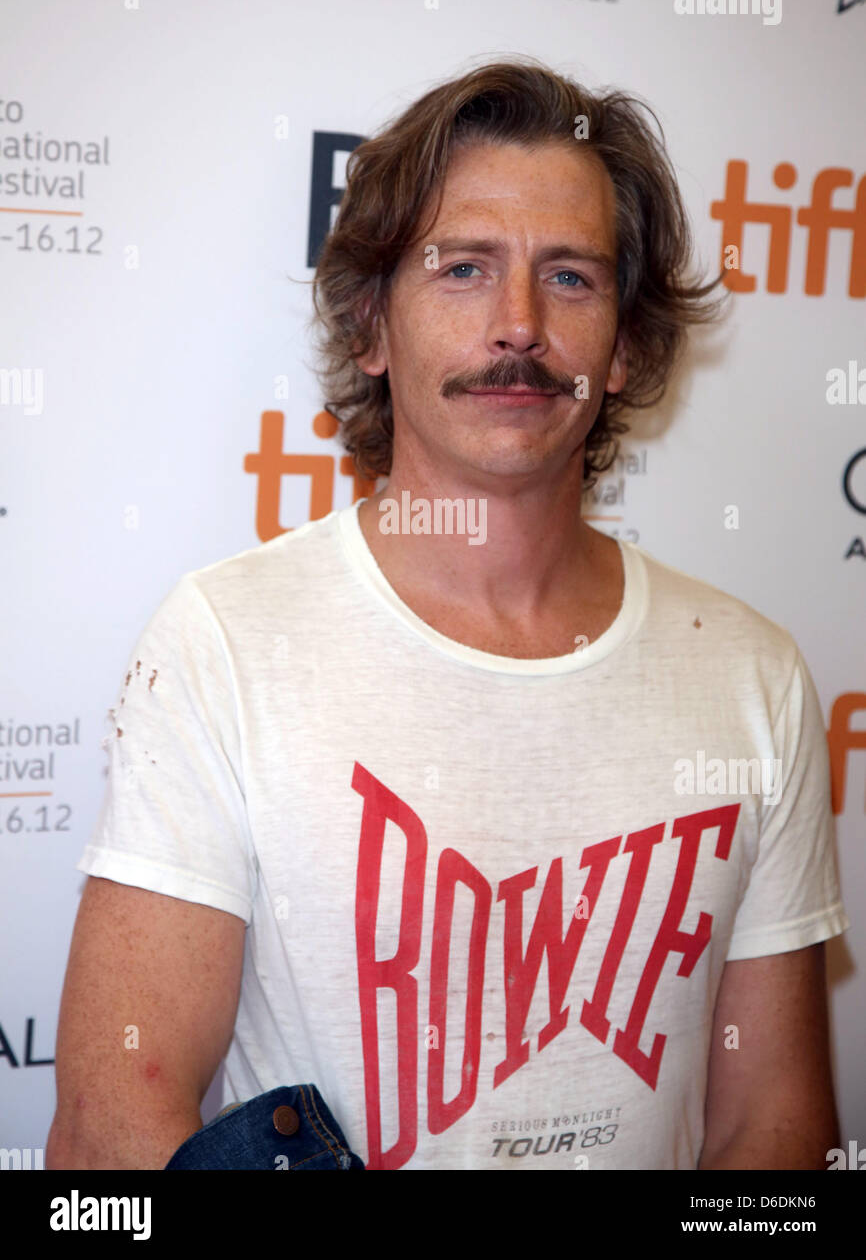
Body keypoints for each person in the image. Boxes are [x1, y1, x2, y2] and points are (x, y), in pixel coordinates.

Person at [47, 59, 849, 1171]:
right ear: (372, 327)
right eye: (462, 268)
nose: (515, 326)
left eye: (568, 277)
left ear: (622, 347)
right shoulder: (224, 645)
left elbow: (774, 1128)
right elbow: (109, 1137)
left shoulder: (752, 676)